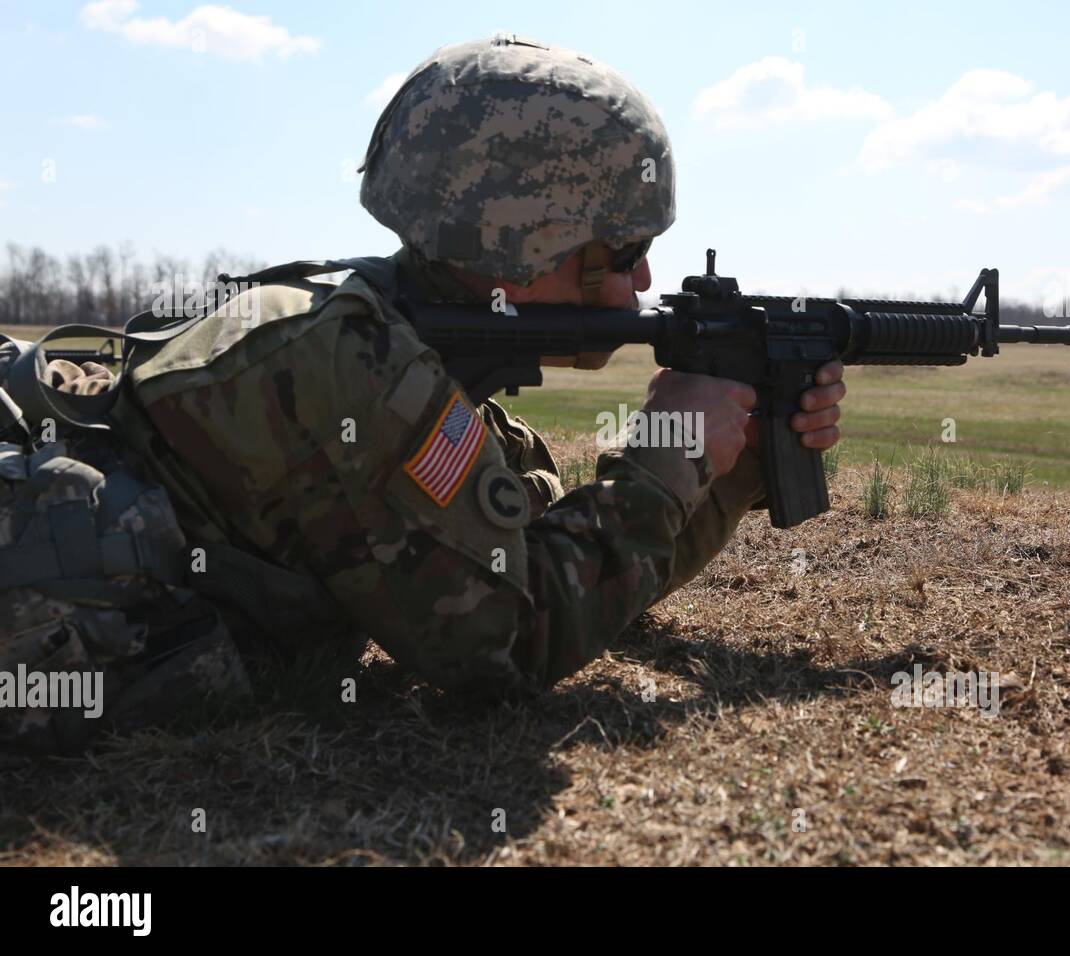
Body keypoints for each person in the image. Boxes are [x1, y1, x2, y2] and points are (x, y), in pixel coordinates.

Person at [106, 33, 847, 699]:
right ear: (521, 254)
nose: (645, 283)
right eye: (624, 254)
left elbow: (574, 581)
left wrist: (732, 465)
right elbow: (506, 643)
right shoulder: (351, 366)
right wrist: (669, 458)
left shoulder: (408, 349)